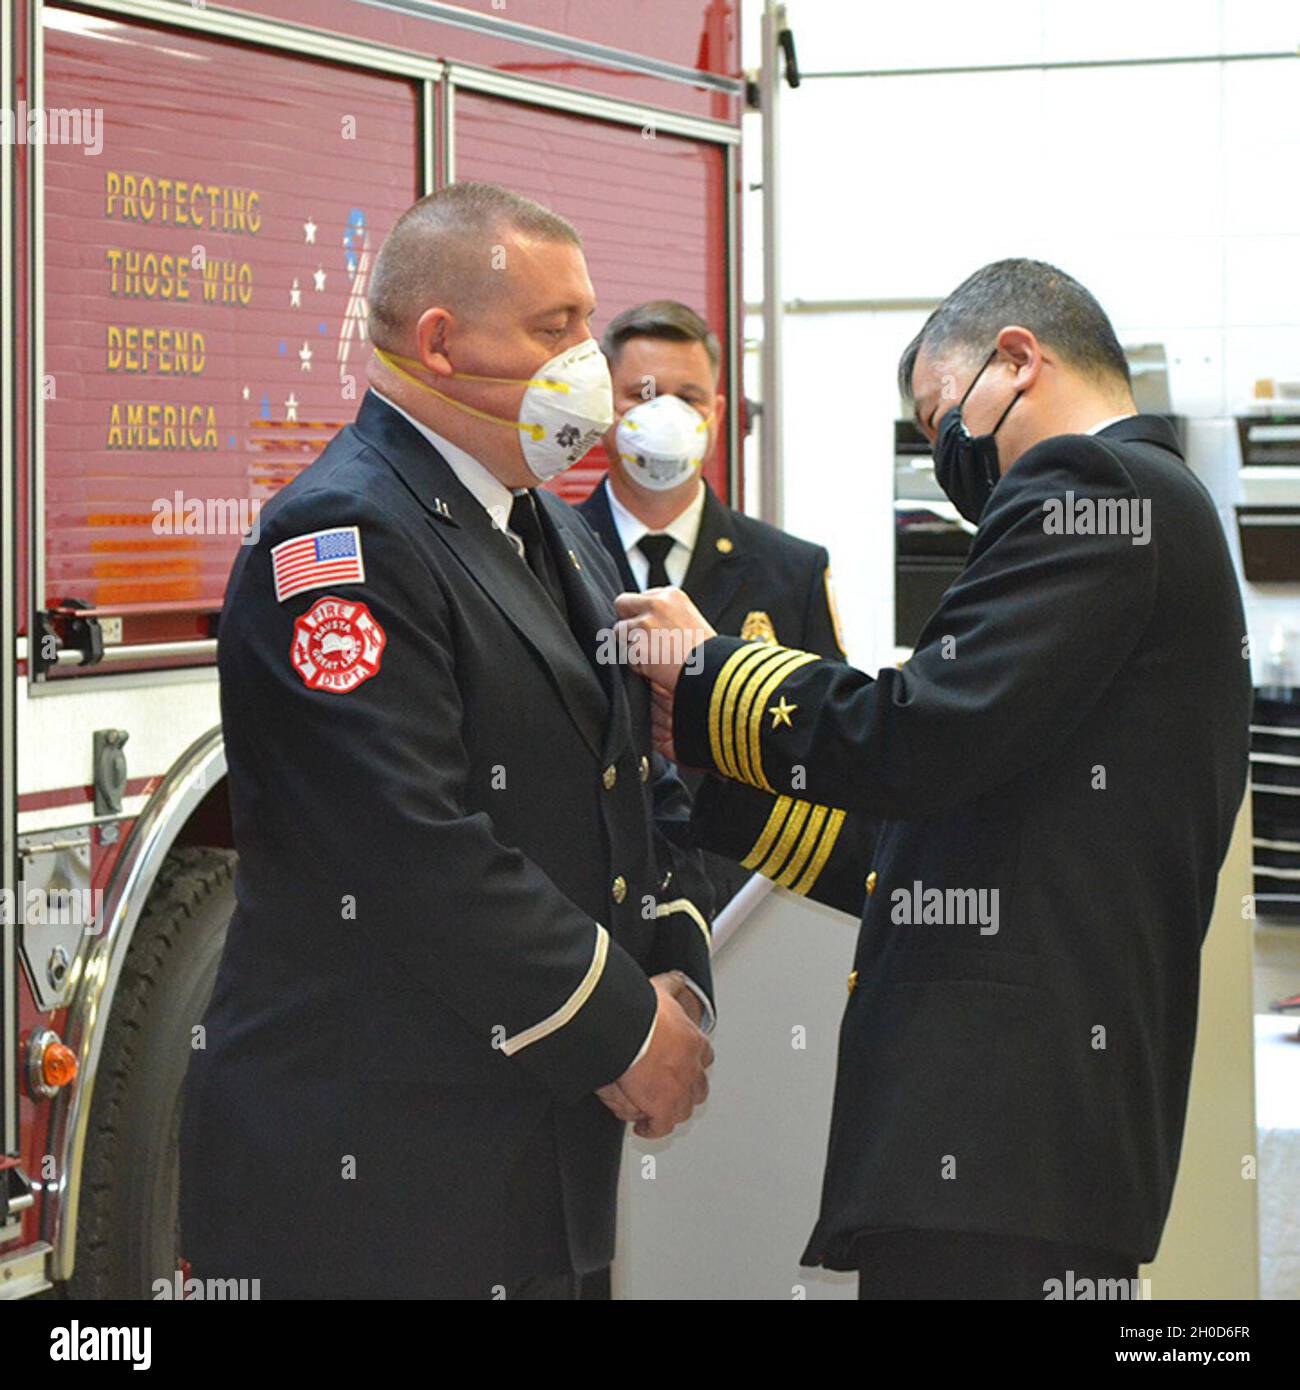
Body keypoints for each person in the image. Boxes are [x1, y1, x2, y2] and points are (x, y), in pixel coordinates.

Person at [613, 258, 1252, 1300]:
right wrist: (716, 768)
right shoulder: (1154, 505)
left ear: (1016, 359)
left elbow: (917, 735)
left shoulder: (1094, 488)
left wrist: (708, 667)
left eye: (939, 420)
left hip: (1001, 1134)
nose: (942, 456)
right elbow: (928, 832)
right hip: (1031, 1148)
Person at [179, 182, 715, 1301]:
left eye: (587, 324)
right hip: (379, 1181)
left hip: (529, 1157)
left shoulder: (554, 524)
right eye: (553, 328)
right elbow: (408, 846)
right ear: (439, 340)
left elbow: (631, 781)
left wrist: (677, 970)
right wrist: (626, 1029)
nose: (590, 365)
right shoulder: (341, 536)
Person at [580, 299, 849, 906]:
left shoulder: (791, 569)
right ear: (604, 407)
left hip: (746, 899)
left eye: (689, 398)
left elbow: (828, 742)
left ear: (716, 413)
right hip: (598, 905)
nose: (666, 416)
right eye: (643, 397)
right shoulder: (546, 554)